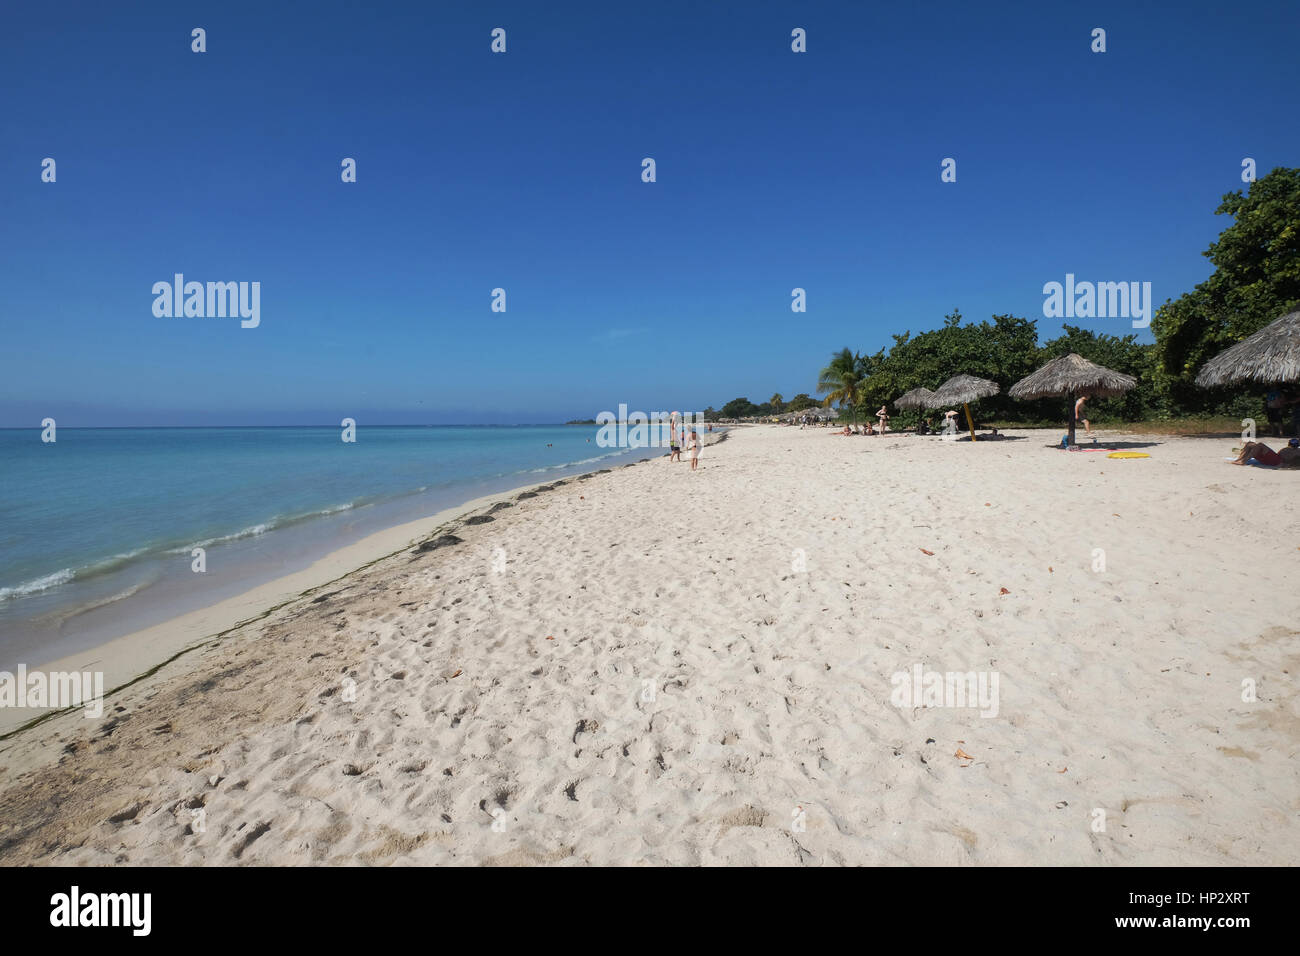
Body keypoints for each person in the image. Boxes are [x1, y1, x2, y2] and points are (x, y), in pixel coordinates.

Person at [1230, 439, 1300, 467]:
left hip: (1277, 461)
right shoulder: (1291, 450)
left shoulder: (1289, 450)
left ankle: (1242, 461)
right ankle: (1238, 460)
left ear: (1289, 444)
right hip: (1273, 460)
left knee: (1259, 444)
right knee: (1250, 443)